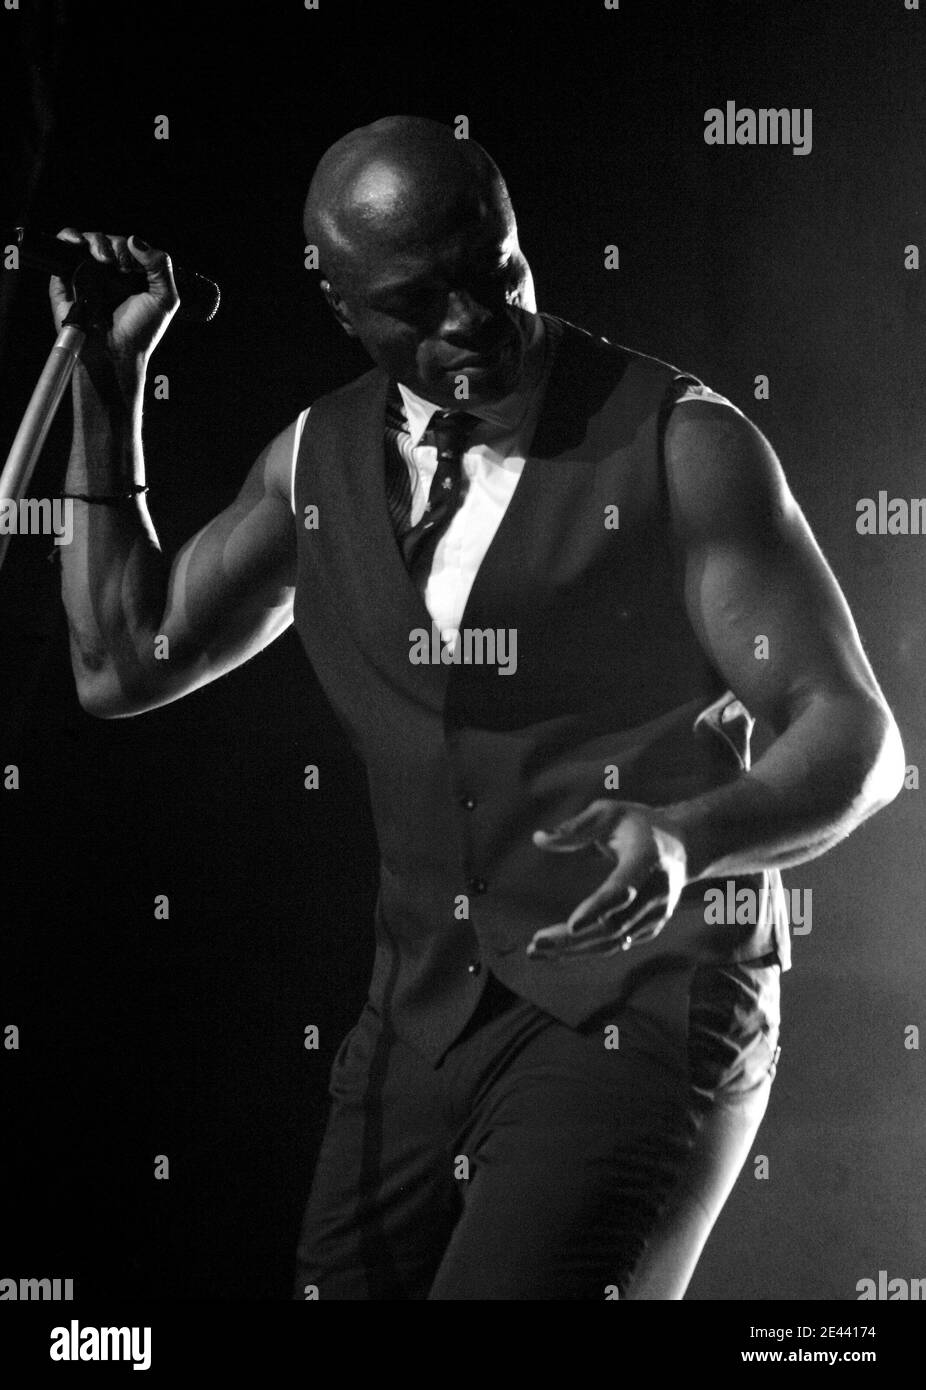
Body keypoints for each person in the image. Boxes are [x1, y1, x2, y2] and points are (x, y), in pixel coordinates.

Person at [54, 116, 904, 1300]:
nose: (469, 323)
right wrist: (106, 378)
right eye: (416, 302)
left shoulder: (681, 441)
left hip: (640, 1008)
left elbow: (853, 736)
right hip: (415, 1025)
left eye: (492, 272)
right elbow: (118, 665)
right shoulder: (314, 463)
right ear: (343, 308)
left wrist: (687, 835)